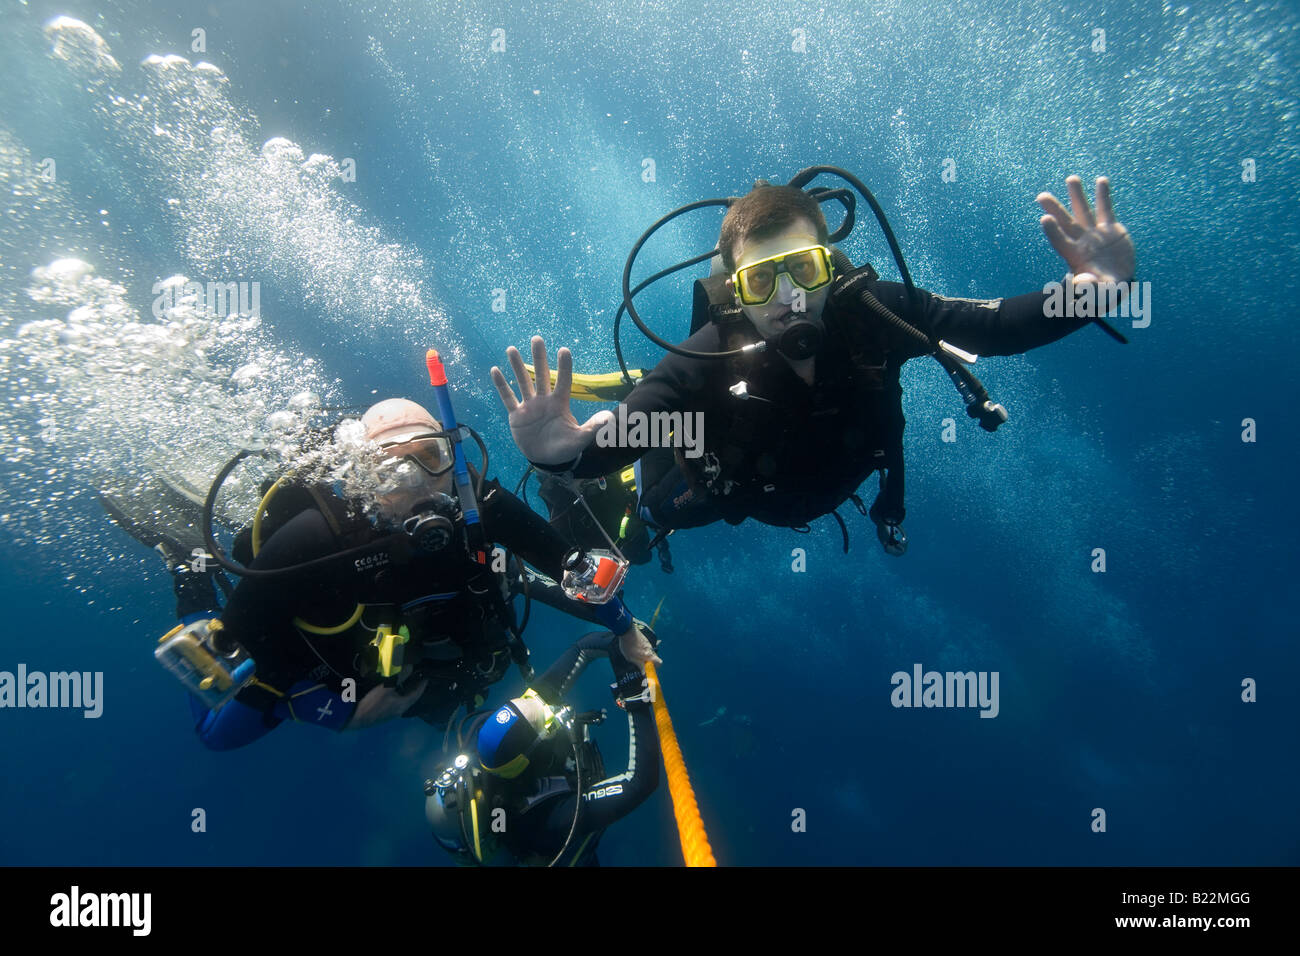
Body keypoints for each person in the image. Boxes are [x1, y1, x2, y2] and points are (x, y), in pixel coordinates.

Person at [491, 174, 1136, 554]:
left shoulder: (876, 313)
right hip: (721, 492)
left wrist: (1090, 293)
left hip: (841, 480)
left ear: (833, 265)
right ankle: (636, 507)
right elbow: (624, 438)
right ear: (734, 293)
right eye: (762, 282)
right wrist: (565, 452)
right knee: (651, 518)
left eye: (804, 270)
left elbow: (992, 327)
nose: (790, 299)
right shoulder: (705, 360)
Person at [105, 394, 658, 751]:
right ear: (362, 480)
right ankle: (188, 562)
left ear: (454, 460)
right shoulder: (315, 541)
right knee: (215, 733)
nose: (416, 482)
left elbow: (577, 569)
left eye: (430, 458)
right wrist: (333, 714)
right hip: (338, 665)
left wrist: (624, 628)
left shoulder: (481, 508)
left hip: (436, 667)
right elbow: (230, 652)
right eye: (391, 467)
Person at [425, 628, 659, 866]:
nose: (549, 707)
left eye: (530, 701)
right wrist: (635, 698)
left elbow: (582, 648)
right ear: (532, 754)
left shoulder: (515, 724)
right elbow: (640, 783)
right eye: (548, 720)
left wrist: (623, 642)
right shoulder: (548, 820)